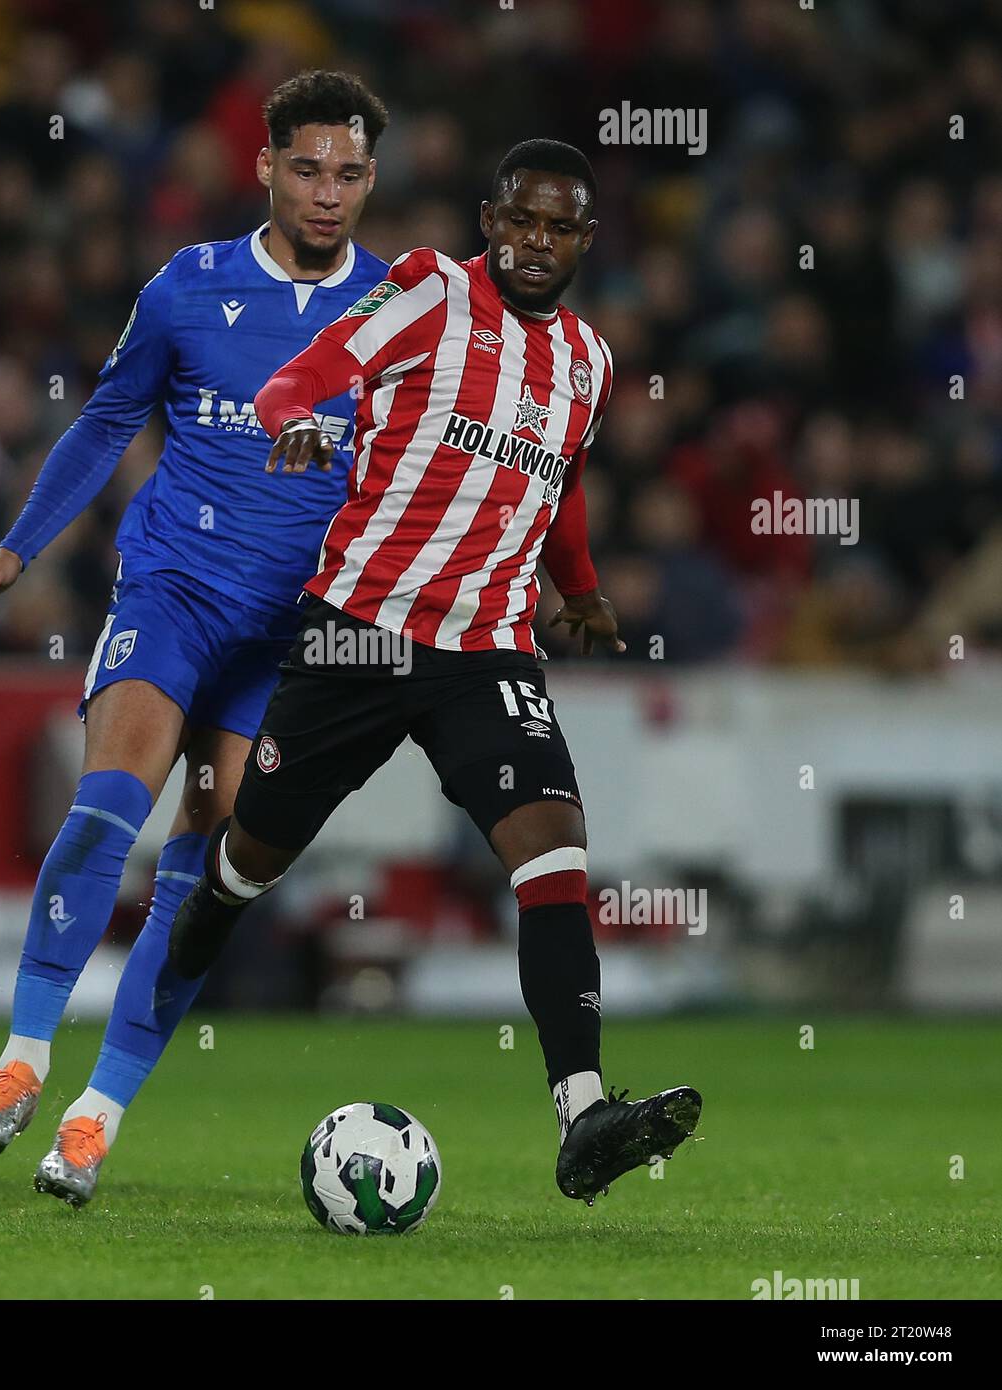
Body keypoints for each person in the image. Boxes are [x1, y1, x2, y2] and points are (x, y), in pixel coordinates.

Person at [167, 139, 702, 1206]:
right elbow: (299, 381)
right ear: (489, 221)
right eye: (521, 221)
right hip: (359, 631)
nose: (537, 242)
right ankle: (217, 893)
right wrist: (295, 425)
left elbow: (560, 485)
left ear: (584, 242)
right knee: (258, 846)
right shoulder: (424, 292)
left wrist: (581, 586)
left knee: (553, 856)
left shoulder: (588, 363)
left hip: (487, 649)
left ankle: (582, 1111)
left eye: (560, 227)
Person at [0, 70, 390, 1207]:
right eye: (306, 168)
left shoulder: (398, 314)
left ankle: (95, 1118)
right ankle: (22, 1060)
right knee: (107, 810)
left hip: (284, 632)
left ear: (369, 179)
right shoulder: (188, 287)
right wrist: (18, 547)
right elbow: (108, 421)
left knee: (206, 875)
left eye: (347, 173)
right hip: (173, 592)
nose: (326, 192)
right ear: (264, 166)